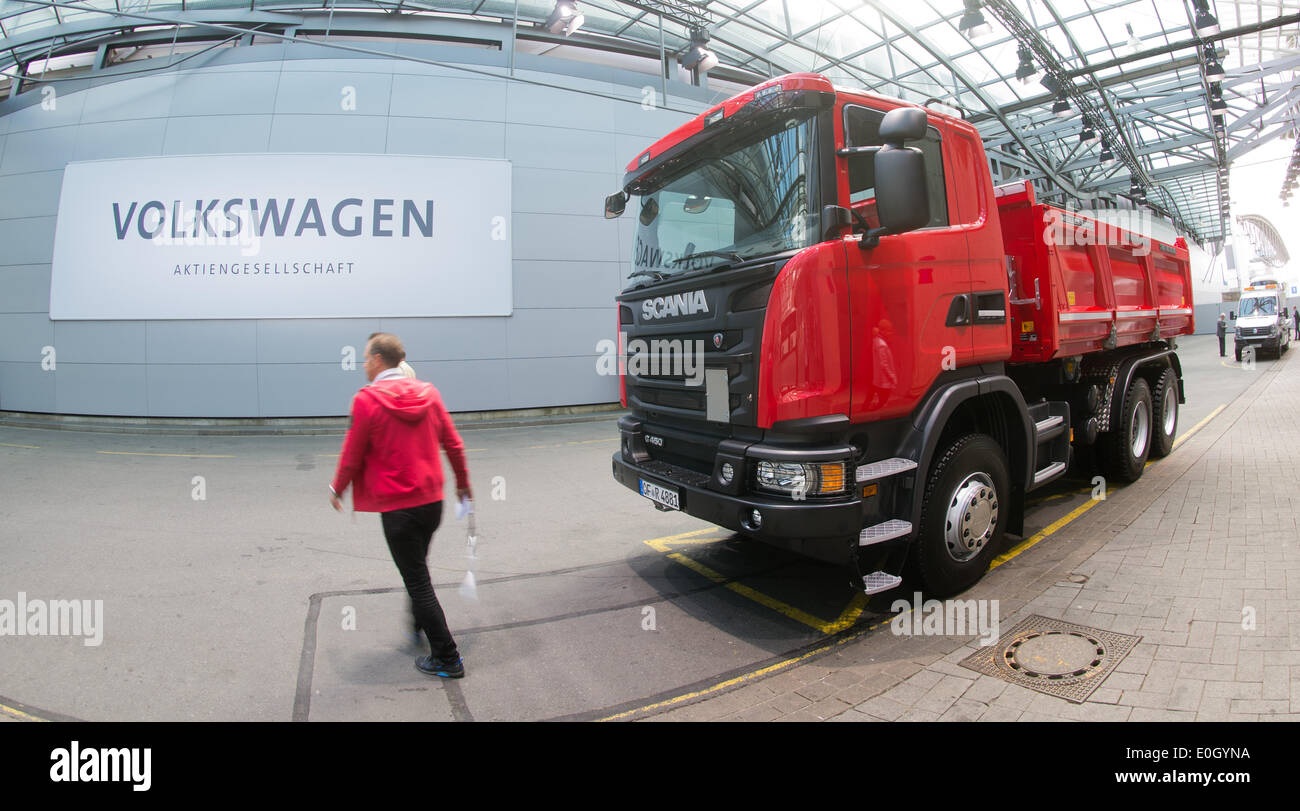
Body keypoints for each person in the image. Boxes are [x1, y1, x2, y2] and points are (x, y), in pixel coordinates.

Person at [329, 332, 472, 679]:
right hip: (431, 504)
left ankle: (447, 657)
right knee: (417, 569)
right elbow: (454, 444)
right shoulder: (429, 393)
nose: (363, 364)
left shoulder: (366, 401)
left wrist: (338, 487)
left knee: (418, 582)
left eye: (365, 358)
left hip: (399, 510)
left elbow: (353, 451)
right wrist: (463, 486)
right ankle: (417, 625)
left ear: (379, 360)